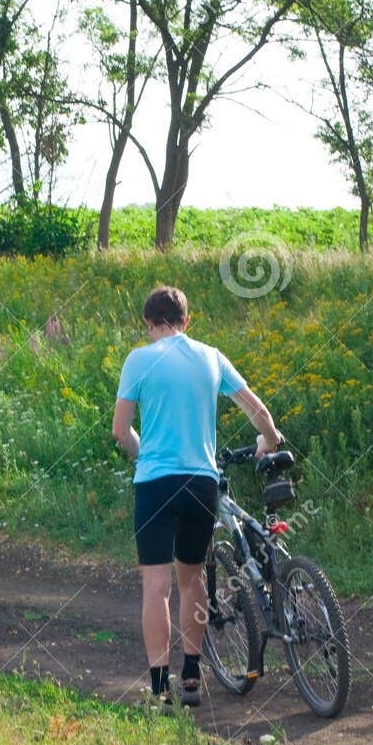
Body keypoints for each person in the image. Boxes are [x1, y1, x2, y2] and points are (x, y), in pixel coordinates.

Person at [112, 286, 284, 707]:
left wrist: (143, 457)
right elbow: (257, 410)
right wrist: (271, 438)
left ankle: (158, 689)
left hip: (154, 483)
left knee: (156, 586)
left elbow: (120, 431)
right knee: (192, 581)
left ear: (149, 324)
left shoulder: (138, 359)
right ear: (186, 321)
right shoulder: (211, 356)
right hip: (200, 483)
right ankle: (191, 675)